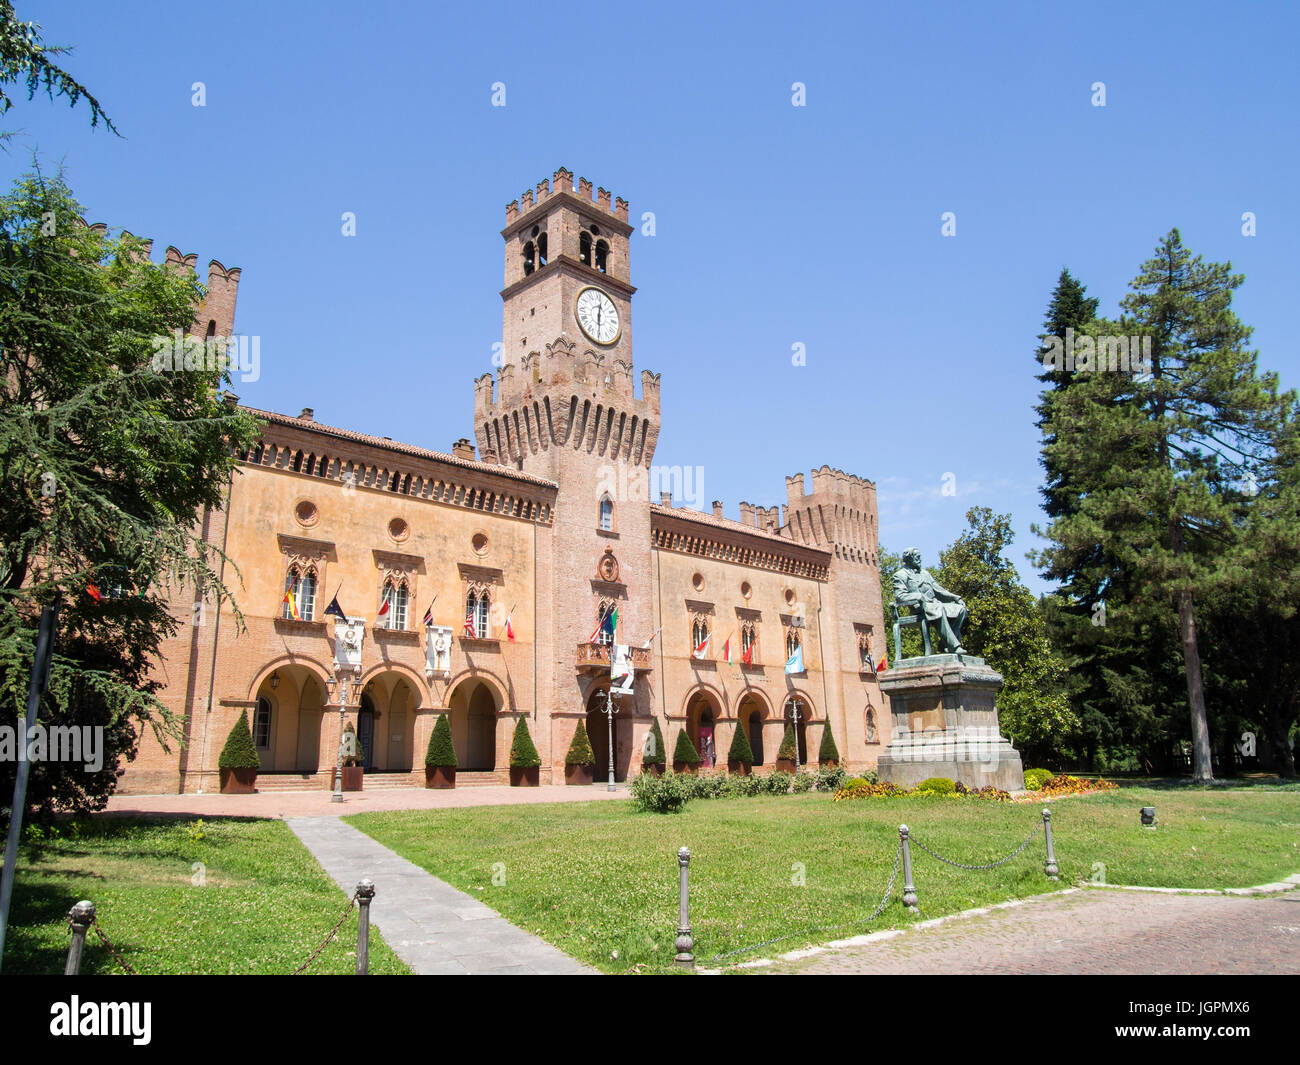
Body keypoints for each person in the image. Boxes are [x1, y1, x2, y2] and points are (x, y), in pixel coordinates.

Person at [892, 547, 968, 654]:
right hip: (919, 608)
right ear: (909, 559)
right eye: (917, 557)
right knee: (940, 609)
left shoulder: (925, 573)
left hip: (934, 604)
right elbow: (900, 596)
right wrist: (918, 596)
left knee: (961, 610)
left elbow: (939, 590)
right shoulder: (900, 575)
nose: (920, 560)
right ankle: (954, 646)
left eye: (920, 557)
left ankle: (945, 644)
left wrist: (956, 597)